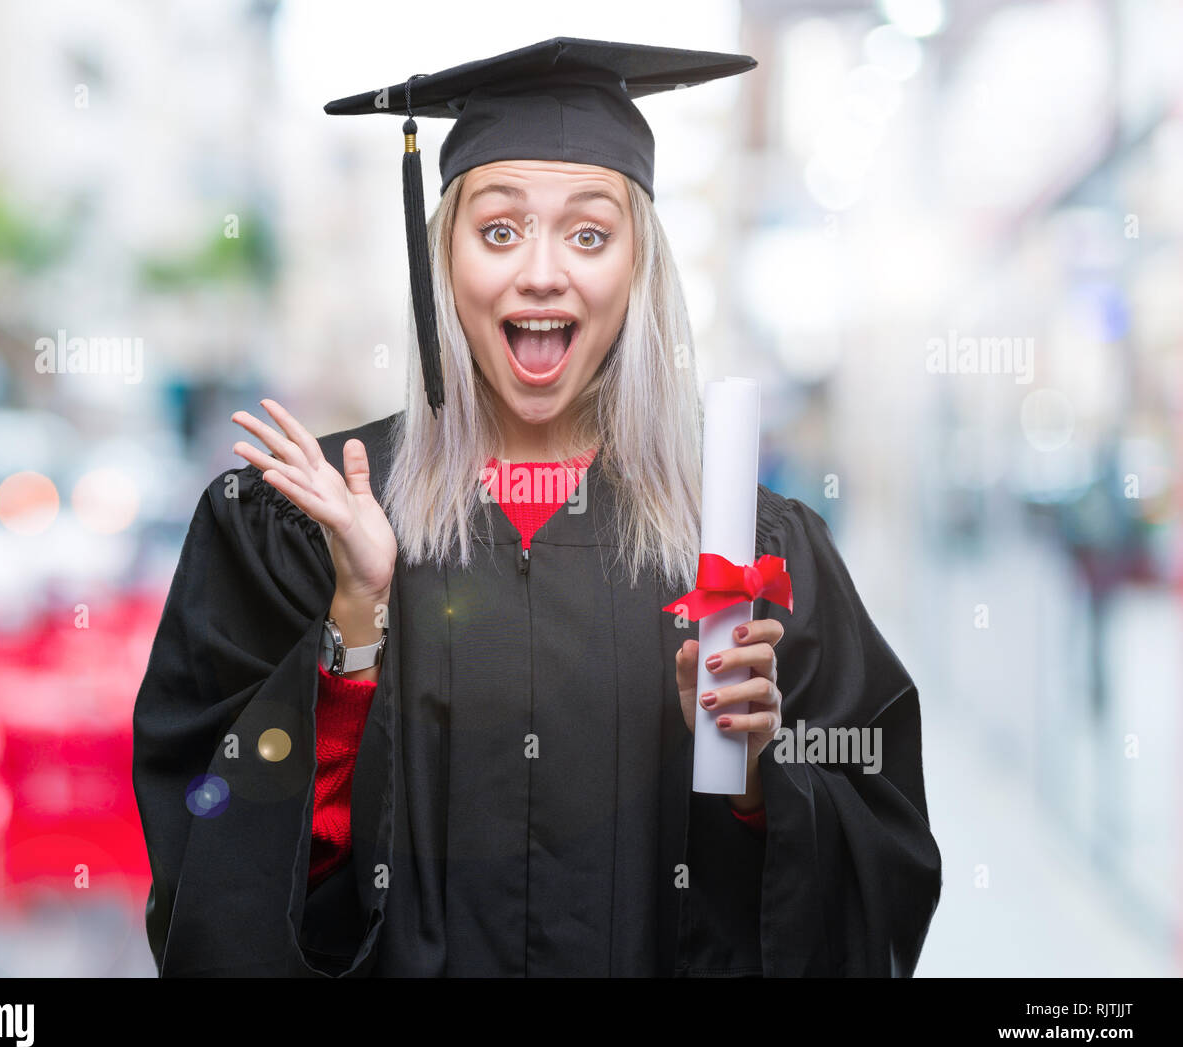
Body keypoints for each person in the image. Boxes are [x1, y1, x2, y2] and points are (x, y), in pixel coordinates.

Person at [131, 36, 942, 977]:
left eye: (590, 234)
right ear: (445, 261)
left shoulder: (751, 555)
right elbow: (214, 864)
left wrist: (757, 777)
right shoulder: (305, 523)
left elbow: (879, 871)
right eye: (500, 229)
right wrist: (354, 628)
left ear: (640, 270)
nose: (543, 273)